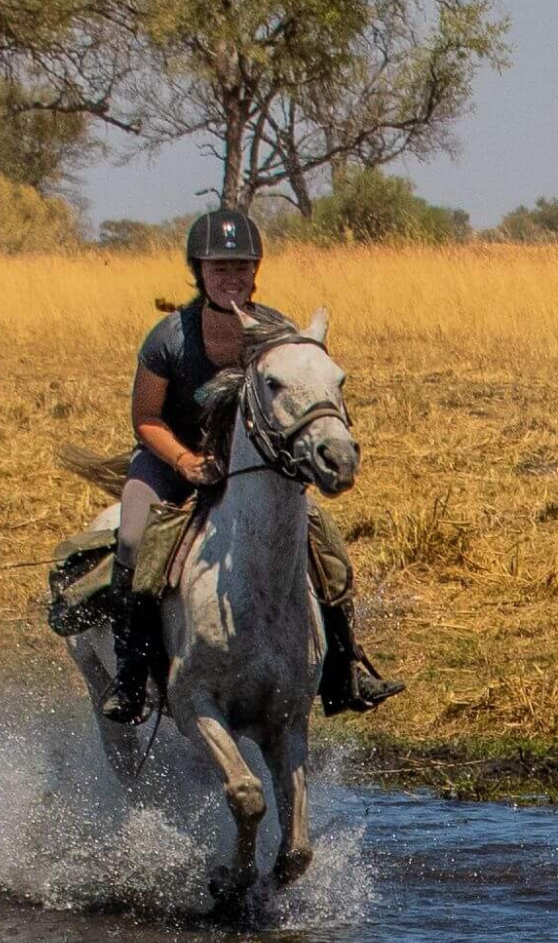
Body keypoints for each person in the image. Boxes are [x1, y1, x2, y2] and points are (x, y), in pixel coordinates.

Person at [99, 209, 403, 724]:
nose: (231, 279)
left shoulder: (276, 333)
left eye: (240, 268)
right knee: (132, 538)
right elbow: (145, 419)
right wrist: (188, 462)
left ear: (255, 271)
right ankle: (131, 676)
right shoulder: (168, 338)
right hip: (170, 462)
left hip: (253, 468)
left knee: (328, 550)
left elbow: (301, 397)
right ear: (199, 273)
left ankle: (345, 670)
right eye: (219, 269)